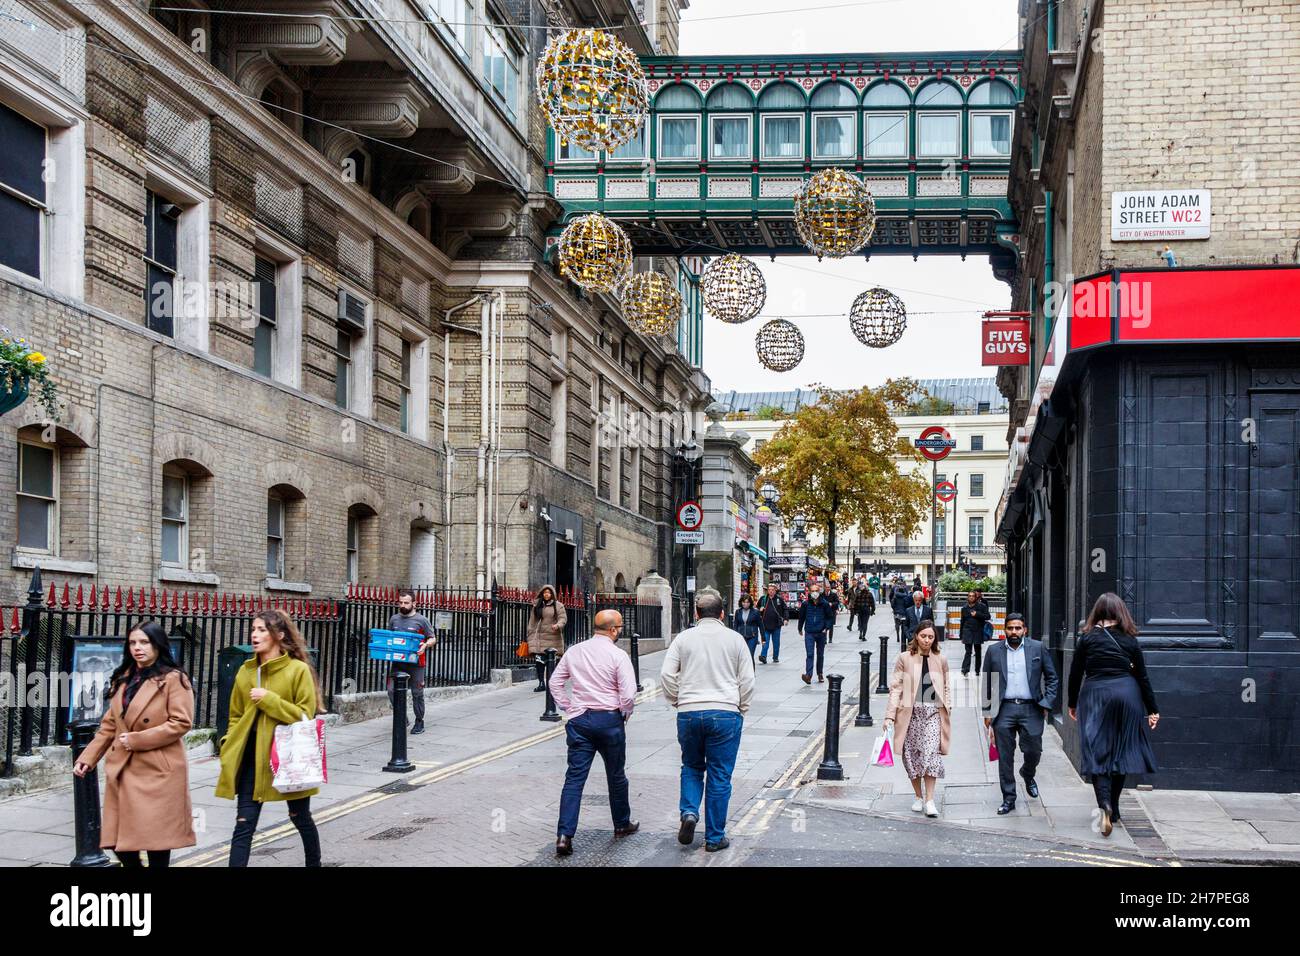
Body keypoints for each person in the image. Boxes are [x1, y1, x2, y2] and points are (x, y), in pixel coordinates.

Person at [73, 621, 195, 868]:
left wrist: (137, 740)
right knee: (118, 842)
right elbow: (110, 724)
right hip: (125, 769)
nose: (138, 648)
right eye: (133, 643)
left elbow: (181, 722)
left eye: (144, 642)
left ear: (158, 645)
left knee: (156, 842)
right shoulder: (125, 678)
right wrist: (88, 757)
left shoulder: (174, 679)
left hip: (158, 770)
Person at [216, 610, 324, 867]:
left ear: (280, 635)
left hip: (289, 757)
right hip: (251, 759)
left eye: (262, 630)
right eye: (254, 629)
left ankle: (314, 864)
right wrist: (228, 744)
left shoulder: (297, 670)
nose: (255, 635)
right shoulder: (245, 671)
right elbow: (235, 716)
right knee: (244, 825)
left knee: (299, 816)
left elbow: (304, 714)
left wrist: (269, 700)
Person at [660, 588, 754, 852]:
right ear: (722, 614)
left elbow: (667, 675)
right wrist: (741, 707)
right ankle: (714, 838)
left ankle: (689, 812)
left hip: (689, 712)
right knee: (719, 775)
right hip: (725, 712)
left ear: (696, 613)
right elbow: (747, 680)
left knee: (691, 766)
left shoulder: (684, 639)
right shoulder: (735, 639)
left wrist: (678, 700)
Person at [548, 609, 640, 856]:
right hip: (609, 720)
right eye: (619, 628)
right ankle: (622, 824)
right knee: (616, 775)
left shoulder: (575, 650)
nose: (620, 632)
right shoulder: (618, 655)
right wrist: (624, 713)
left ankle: (564, 836)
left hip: (580, 721)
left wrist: (568, 707)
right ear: (612, 630)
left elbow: (555, 682)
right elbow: (628, 694)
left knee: (574, 779)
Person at [1068, 593, 1159, 837]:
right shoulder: (1130, 640)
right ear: (1120, 612)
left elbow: (1075, 673)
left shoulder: (1087, 638)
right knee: (1122, 751)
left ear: (1097, 612)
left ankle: (1105, 804)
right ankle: (1115, 809)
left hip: (1096, 694)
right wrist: (1153, 709)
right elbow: (1143, 676)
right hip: (1127, 694)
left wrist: (1071, 703)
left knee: (1098, 752)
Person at [982, 613, 1059, 815]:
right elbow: (987, 683)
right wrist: (987, 712)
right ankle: (1009, 798)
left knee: (1034, 750)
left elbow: (1052, 677)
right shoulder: (993, 651)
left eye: (1018, 628)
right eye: (1010, 628)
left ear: (1025, 630)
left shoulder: (1037, 648)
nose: (1014, 632)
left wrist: (1046, 703)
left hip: (1031, 708)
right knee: (1005, 757)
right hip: (1004, 709)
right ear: (1004, 630)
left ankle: (1027, 773)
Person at [884, 619, 951, 818]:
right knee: (911, 757)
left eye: (931, 637)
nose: (927, 640)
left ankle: (930, 800)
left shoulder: (941, 659)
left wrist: (948, 705)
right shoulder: (904, 658)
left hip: (932, 713)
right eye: (923, 636)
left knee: (931, 756)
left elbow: (946, 685)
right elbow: (895, 688)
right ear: (916, 636)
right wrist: (889, 716)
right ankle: (918, 796)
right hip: (910, 714)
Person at [386, 588, 437, 734]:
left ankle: (419, 722)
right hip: (397, 662)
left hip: (416, 663)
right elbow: (390, 637)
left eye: (406, 603)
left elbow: (432, 638)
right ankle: (402, 718)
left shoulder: (421, 620)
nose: (403, 605)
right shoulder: (394, 619)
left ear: (414, 603)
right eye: (400, 602)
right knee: (391, 691)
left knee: (417, 693)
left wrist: (426, 645)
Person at [527, 585, 567, 692]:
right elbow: (532, 621)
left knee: (551, 663)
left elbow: (562, 618)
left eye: (549, 592)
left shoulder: (558, 606)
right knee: (539, 662)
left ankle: (552, 684)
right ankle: (541, 683)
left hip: (553, 638)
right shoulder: (537, 605)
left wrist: (558, 625)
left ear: (552, 594)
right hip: (539, 638)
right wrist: (530, 632)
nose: (546, 594)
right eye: (545, 592)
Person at [797, 583, 834, 684]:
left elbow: (830, 617)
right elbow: (801, 617)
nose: (814, 593)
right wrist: (800, 628)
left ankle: (820, 673)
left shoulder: (825, 604)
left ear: (819, 591)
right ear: (809, 592)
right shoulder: (805, 604)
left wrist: (826, 628)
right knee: (810, 654)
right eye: (812, 591)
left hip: (821, 632)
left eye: (816, 591)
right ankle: (808, 675)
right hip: (809, 632)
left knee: (820, 654)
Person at [959, 589, 991, 677]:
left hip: (978, 631)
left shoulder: (982, 606)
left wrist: (977, 614)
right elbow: (962, 621)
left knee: (978, 651)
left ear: (976, 597)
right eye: (969, 596)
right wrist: (961, 635)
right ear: (967, 597)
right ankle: (965, 670)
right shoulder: (964, 608)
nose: (971, 597)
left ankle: (977, 670)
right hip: (967, 631)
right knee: (968, 651)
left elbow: (988, 616)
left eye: (973, 596)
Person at [757, 583, 786, 664]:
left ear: (775, 590)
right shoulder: (763, 599)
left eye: (772, 590)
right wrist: (760, 609)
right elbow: (756, 608)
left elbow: (785, 609)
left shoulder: (779, 599)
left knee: (776, 642)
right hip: (765, 625)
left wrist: (786, 619)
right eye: (769, 590)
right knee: (765, 641)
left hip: (776, 625)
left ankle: (775, 657)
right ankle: (763, 656)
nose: (771, 591)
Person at [732, 593, 762, 661]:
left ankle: (751, 671)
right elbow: (735, 625)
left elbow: (760, 625)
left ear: (750, 603)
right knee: (742, 657)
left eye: (747, 602)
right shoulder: (738, 612)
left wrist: (763, 639)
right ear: (741, 602)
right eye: (744, 602)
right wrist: (734, 637)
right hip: (741, 637)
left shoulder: (755, 612)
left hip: (752, 637)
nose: (745, 604)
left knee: (750, 655)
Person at [891, 581, 912, 645]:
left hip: (897, 613)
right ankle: (903, 637)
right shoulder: (905, 597)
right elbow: (907, 604)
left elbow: (892, 604)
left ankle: (897, 636)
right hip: (904, 613)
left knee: (897, 625)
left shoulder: (895, 597)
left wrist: (894, 609)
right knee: (904, 626)